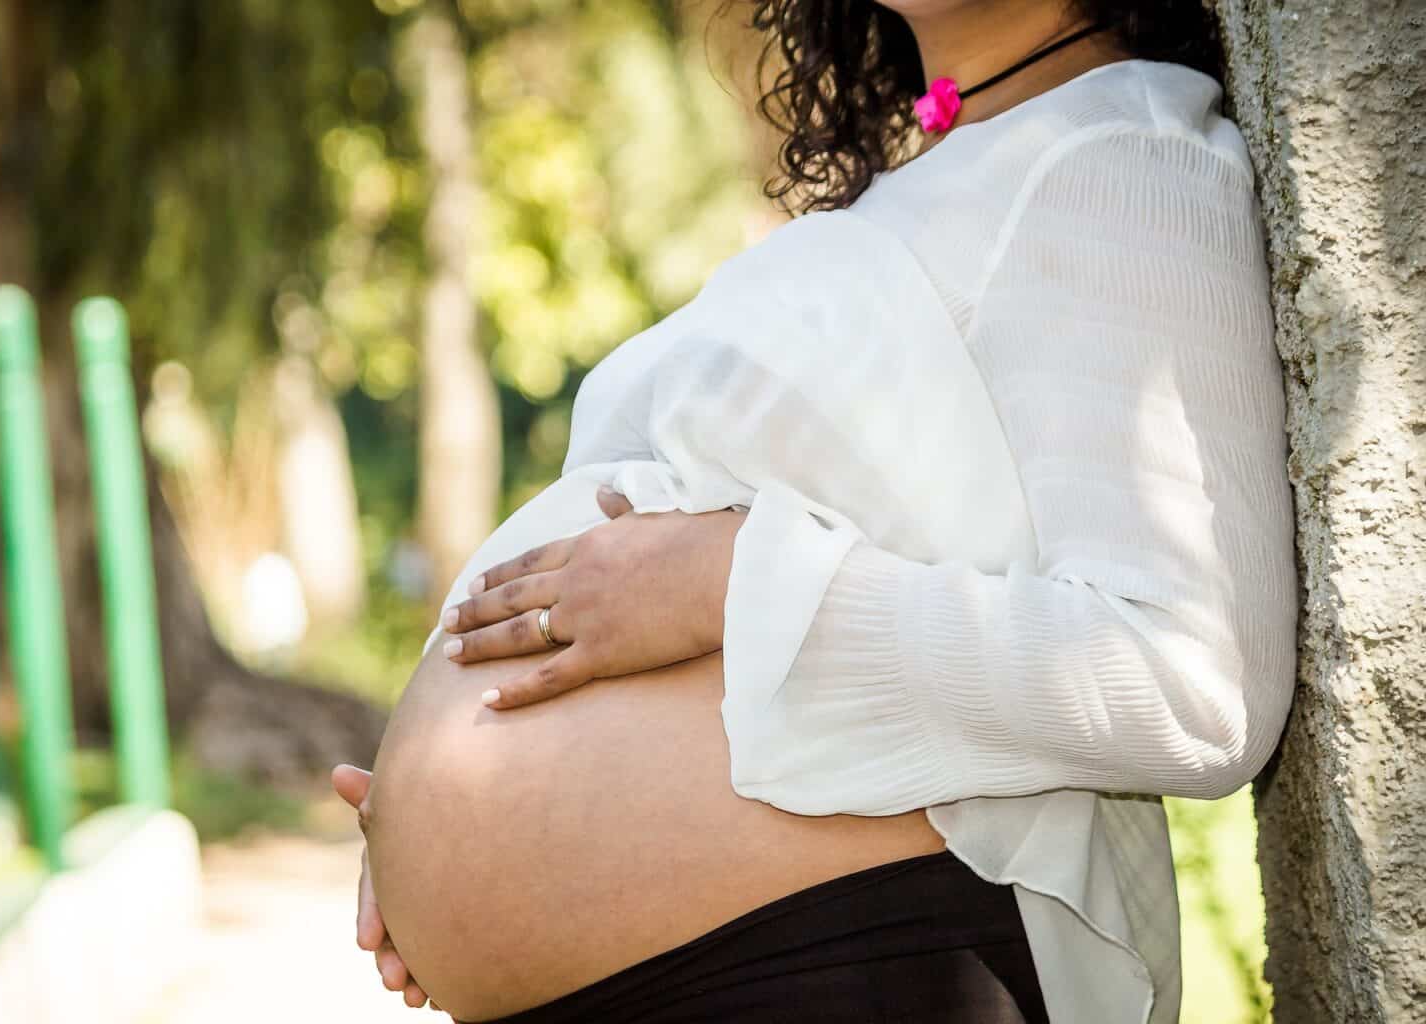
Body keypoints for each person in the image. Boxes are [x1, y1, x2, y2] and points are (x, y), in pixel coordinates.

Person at [331, 0, 1298, 1019]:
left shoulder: (1122, 153)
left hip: (851, 955)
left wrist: (729, 587)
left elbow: (1196, 684)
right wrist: (429, 817)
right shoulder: (937, 176)